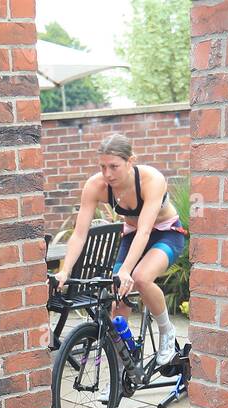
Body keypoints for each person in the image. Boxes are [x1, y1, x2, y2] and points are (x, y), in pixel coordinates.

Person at [54, 132, 186, 367]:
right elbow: (79, 233)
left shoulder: (151, 180)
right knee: (117, 298)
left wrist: (126, 270)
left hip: (166, 234)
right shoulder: (96, 185)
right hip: (132, 236)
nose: (107, 174)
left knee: (141, 278)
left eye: (114, 166)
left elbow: (146, 231)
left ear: (130, 161)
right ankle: (120, 372)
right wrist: (65, 271)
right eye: (102, 166)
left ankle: (167, 330)